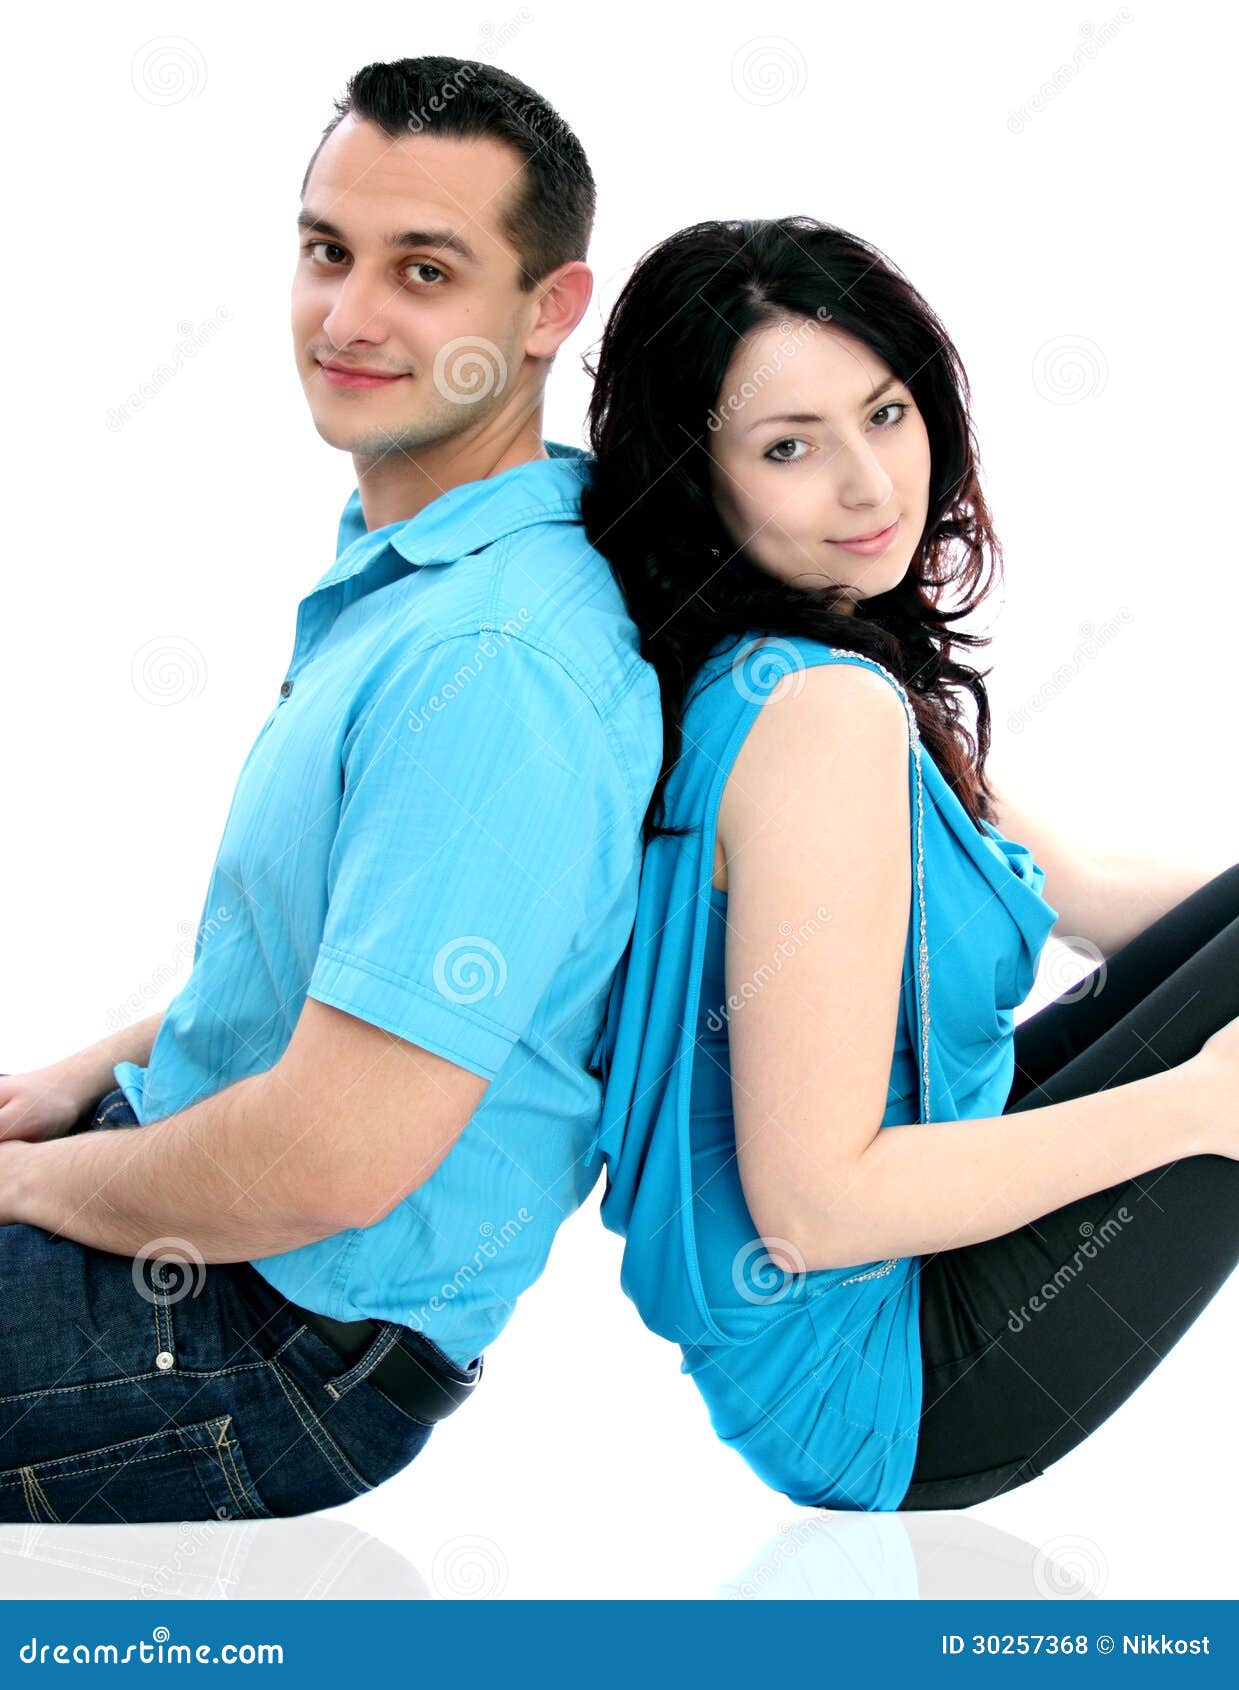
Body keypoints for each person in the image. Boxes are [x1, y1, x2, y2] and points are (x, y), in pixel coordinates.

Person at [0, 57, 661, 1523]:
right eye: (326, 251)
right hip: (199, 1206)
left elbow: (332, 1156)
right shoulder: (425, 571)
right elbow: (336, 965)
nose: (349, 317)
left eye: (424, 270)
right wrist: (76, 1085)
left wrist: (37, 1187)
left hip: (264, 1343)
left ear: (549, 310)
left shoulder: (495, 664)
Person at [579, 215, 1239, 1512]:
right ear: (694, 478)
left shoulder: (793, 668)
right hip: (901, 1373)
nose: (872, 486)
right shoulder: (817, 720)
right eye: (788, 448)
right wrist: (1207, 1105)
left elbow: (1093, 891)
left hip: (899, 1283)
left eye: (885, 414)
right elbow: (813, 1210)